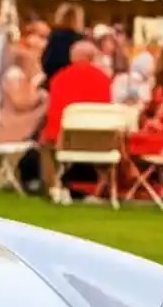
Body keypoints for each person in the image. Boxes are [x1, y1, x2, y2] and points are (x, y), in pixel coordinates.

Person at [40, 40, 113, 204]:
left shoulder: (59, 78)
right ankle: (101, 189)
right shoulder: (104, 78)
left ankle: (54, 186)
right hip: (98, 140)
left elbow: (54, 115)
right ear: (92, 57)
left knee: (44, 144)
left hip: (65, 141)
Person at [41, 3, 85, 86]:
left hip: (55, 81)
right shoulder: (80, 39)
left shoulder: (54, 36)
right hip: (74, 82)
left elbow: (46, 62)